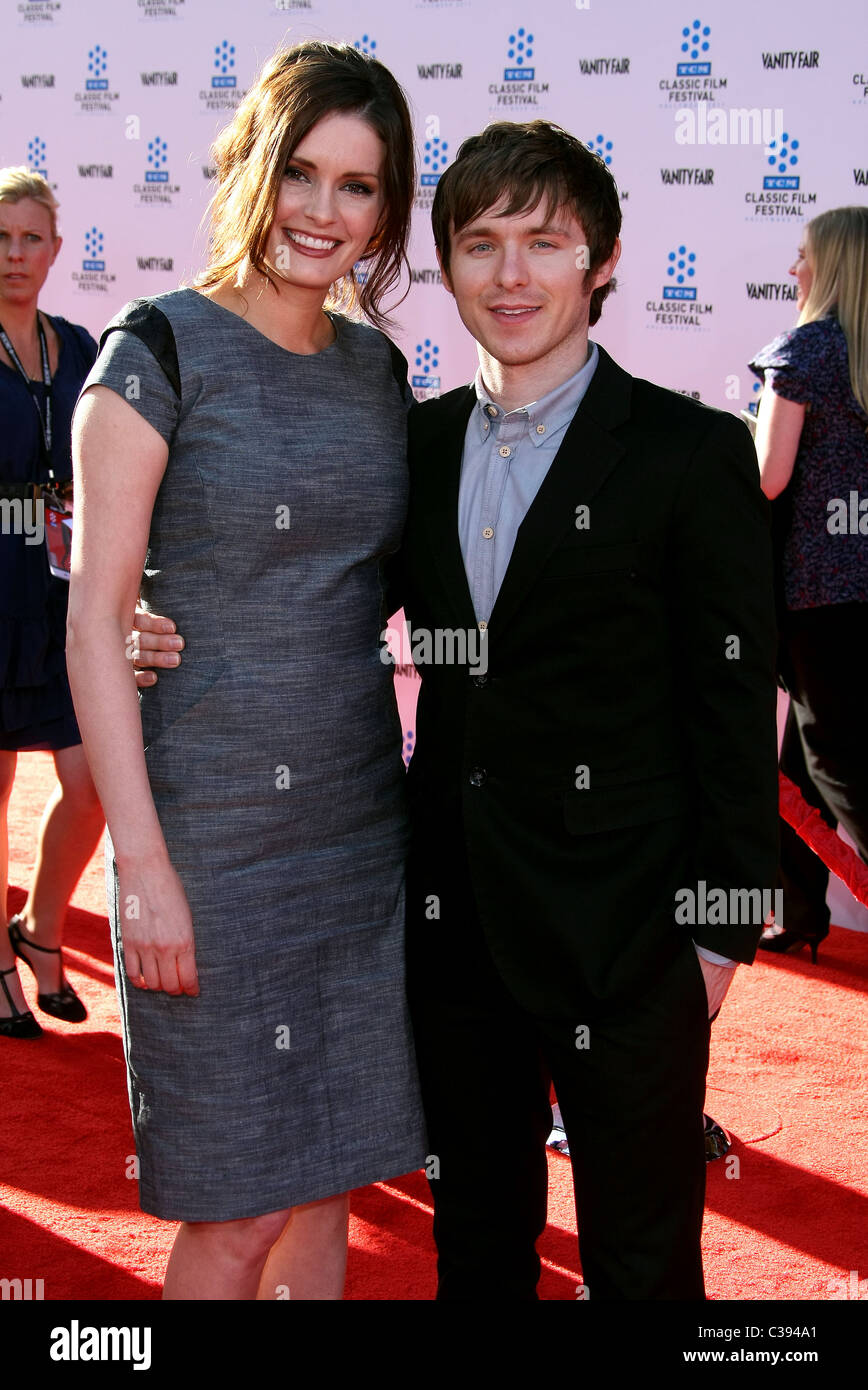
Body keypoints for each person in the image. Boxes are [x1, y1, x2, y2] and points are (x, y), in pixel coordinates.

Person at [138, 119, 780, 1300]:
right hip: (451, 928)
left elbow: (734, 704)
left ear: (604, 260)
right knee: (476, 1251)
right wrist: (149, 620)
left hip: (630, 940)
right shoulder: (414, 442)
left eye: (544, 243)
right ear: (447, 267)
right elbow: (307, 589)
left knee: (643, 1263)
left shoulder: (687, 454)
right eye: (479, 245)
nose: (511, 275)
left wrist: (713, 942)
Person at [66, 41, 426, 1301]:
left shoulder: (379, 373)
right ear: (253, 170)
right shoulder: (153, 352)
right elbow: (96, 618)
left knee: (329, 1180)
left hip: (354, 833)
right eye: (304, 174)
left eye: (361, 187)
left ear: (388, 209)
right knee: (235, 1207)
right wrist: (145, 873)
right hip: (207, 840)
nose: (326, 214)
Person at [0, 167, 103, 1039]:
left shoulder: (80, 345)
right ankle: (0, 967)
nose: (14, 254)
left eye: (30, 237)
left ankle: (38, 927)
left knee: (93, 781)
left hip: (64, 593)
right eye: (0, 238)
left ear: (56, 249)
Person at [750, 207, 868, 961]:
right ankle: (797, 911)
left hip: (818, 594)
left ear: (829, 265)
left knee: (834, 758)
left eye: (803, 256)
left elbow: (767, 477)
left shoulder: (806, 351)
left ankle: (798, 911)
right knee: (802, 755)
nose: (794, 269)